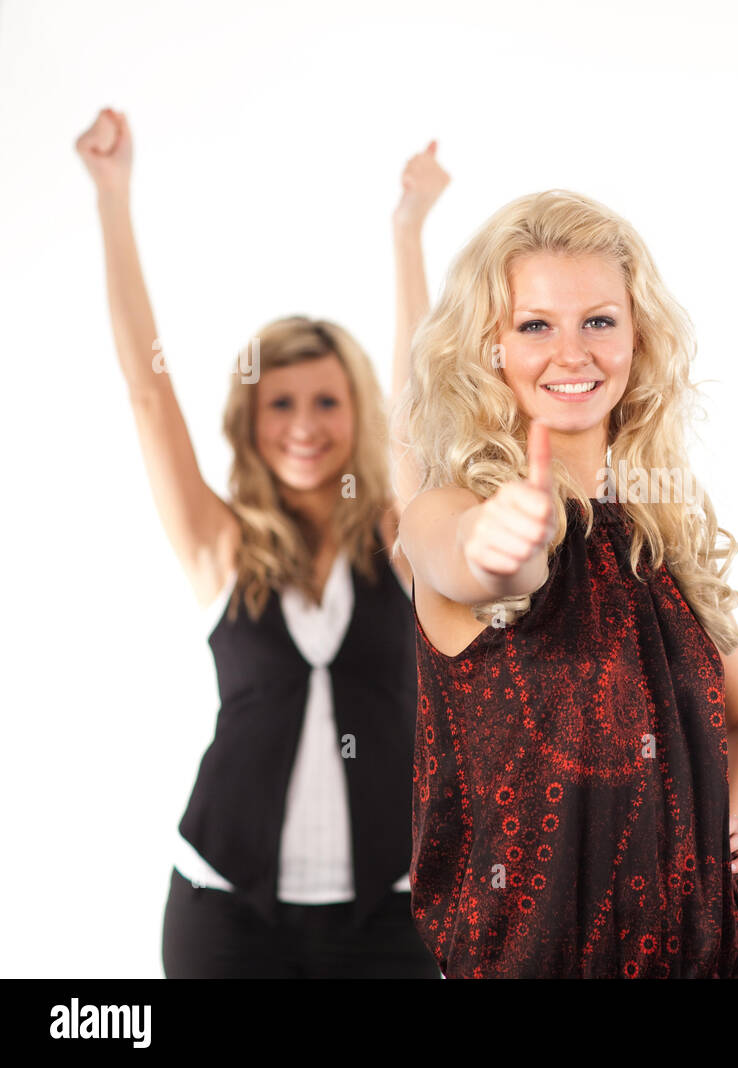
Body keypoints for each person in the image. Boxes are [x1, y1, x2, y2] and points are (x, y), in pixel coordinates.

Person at [75, 107, 449, 978]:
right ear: (251, 418)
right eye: (280, 403)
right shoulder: (221, 545)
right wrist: (112, 197)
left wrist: (407, 232)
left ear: (356, 412)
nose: (303, 426)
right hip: (224, 911)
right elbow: (145, 391)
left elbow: (420, 401)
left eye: (325, 401)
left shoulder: (399, 539)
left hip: (391, 912)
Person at [394, 189, 738, 978]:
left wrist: (730, 832)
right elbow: (478, 561)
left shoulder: (659, 537)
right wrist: (506, 537)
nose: (571, 353)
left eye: (598, 321)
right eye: (535, 324)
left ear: (638, 340)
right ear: (489, 347)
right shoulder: (451, 510)